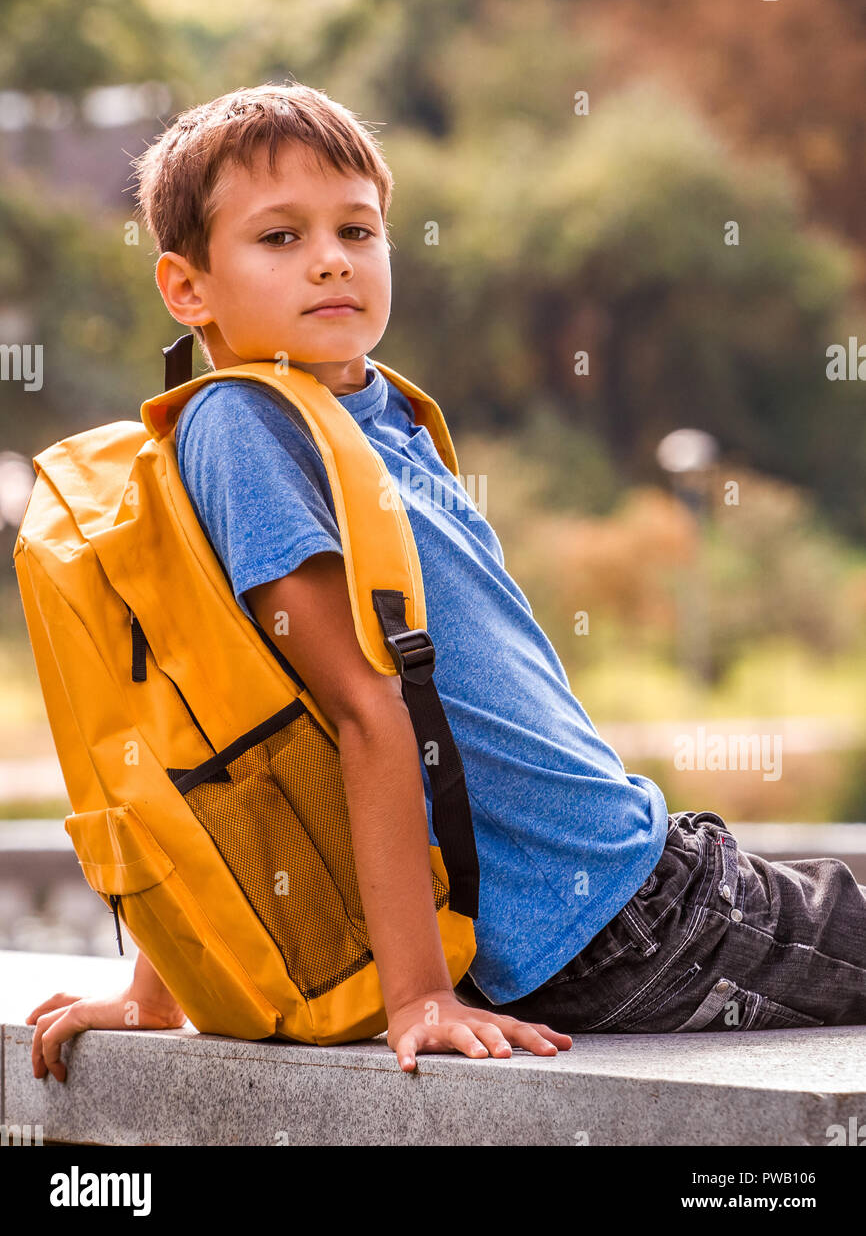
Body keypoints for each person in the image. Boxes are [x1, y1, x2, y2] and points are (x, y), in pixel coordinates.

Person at [28, 82, 866, 1086]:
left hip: (628, 890)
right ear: (186, 288)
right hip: (617, 923)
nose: (332, 256)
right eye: (280, 237)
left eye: (356, 228)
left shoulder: (372, 414)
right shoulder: (244, 427)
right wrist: (417, 993)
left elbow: (245, 715)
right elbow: (334, 709)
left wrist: (160, 993)